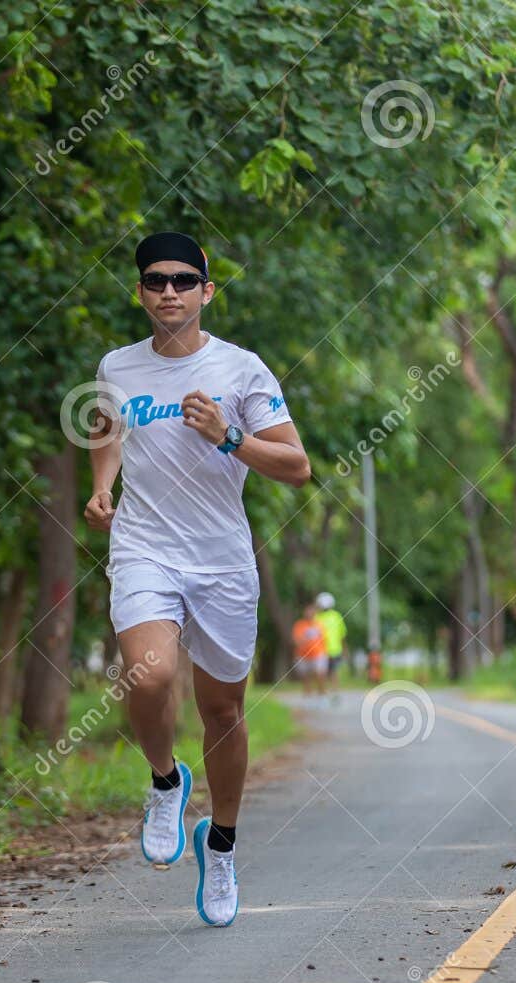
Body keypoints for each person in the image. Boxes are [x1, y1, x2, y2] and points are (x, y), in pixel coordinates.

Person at [82, 231, 311, 928]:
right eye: (156, 281)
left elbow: (297, 465)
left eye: (185, 280)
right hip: (145, 547)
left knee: (222, 712)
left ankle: (224, 844)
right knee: (147, 678)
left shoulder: (242, 371)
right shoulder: (117, 366)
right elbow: (107, 428)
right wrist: (101, 486)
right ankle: (164, 781)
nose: (170, 292)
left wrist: (228, 436)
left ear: (207, 291)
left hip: (221, 561)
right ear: (141, 292)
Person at [292, 602, 327, 695]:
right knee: (305, 675)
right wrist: (305, 638)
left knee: (319, 673)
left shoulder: (319, 625)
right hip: (303, 654)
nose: (309, 613)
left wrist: (325, 652)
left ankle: (321, 691)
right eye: (308, 611)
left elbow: (324, 639)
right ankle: (307, 692)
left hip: (318, 654)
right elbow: (296, 641)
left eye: (311, 611)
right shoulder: (300, 625)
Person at [315, 591, 346, 692]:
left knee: (322, 672)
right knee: (333, 671)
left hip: (322, 650)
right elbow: (342, 635)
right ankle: (334, 690)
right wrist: (345, 649)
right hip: (335, 649)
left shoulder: (316, 617)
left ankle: (323, 692)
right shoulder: (337, 616)